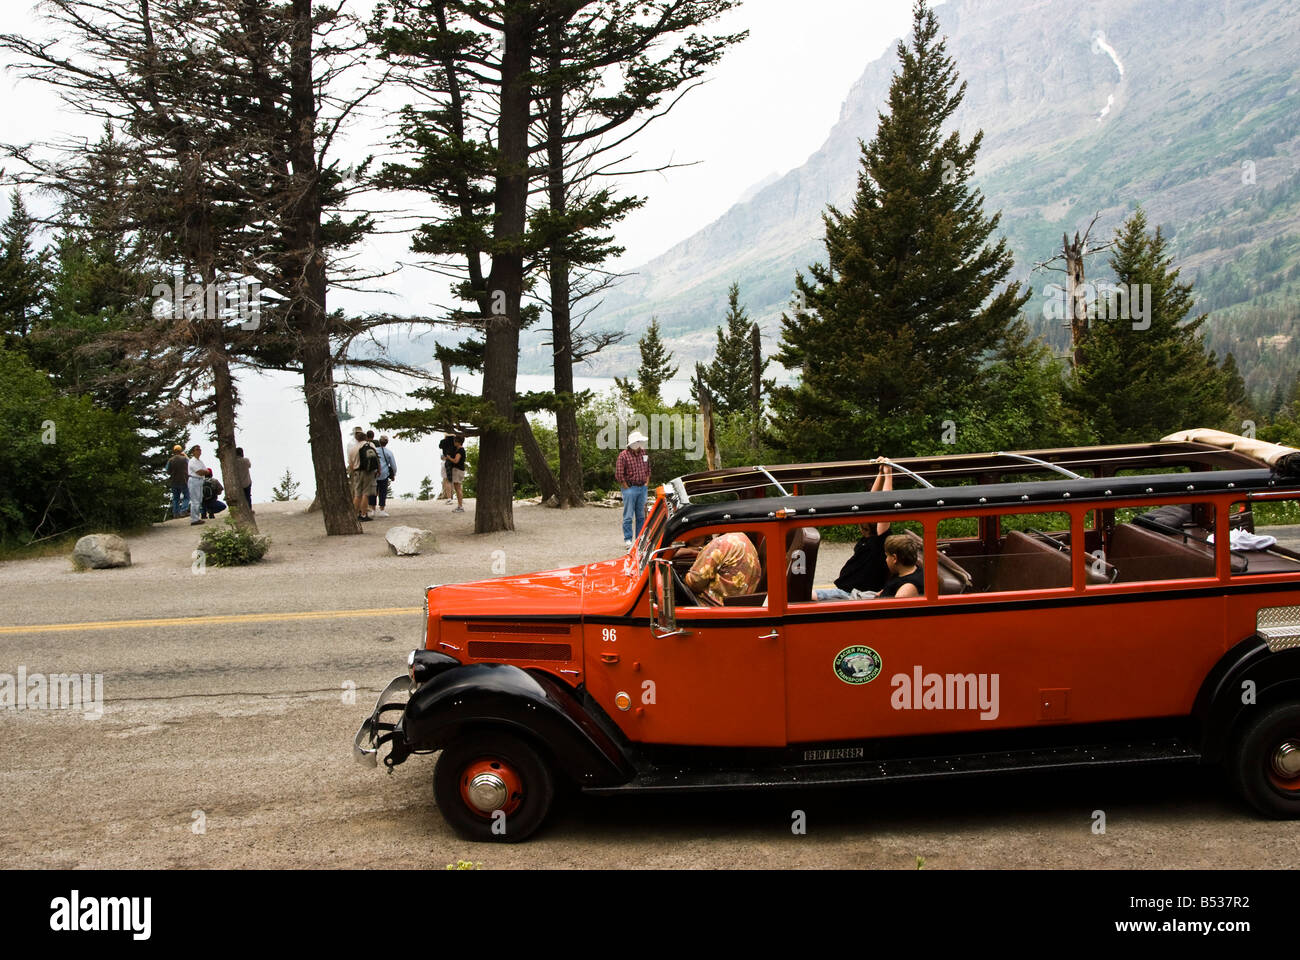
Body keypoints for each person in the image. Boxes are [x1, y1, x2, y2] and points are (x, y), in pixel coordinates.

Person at [816, 460, 894, 601]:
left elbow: (886, 506)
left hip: (853, 595)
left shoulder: (880, 542)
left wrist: (889, 475)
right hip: (844, 591)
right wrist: (880, 473)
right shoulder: (868, 539)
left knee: (805, 597)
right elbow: (871, 499)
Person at [684, 532, 761, 605]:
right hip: (739, 605)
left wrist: (685, 577)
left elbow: (695, 582)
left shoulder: (721, 543)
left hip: (712, 607)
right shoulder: (744, 539)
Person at [615, 431, 651, 547]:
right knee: (628, 515)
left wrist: (646, 483)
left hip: (642, 488)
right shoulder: (623, 455)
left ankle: (639, 539)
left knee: (641, 515)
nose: (640, 444)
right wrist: (626, 487)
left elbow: (648, 469)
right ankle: (628, 539)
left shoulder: (644, 453)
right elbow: (619, 474)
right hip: (630, 488)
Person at [878, 534, 923, 599]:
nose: (886, 560)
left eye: (887, 556)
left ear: (894, 558)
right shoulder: (906, 572)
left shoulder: (906, 590)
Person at [345, 426, 370, 521]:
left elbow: (350, 458)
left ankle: (358, 510)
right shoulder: (361, 444)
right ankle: (359, 511)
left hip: (356, 468)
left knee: (357, 491)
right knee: (359, 491)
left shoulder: (352, 444)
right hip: (361, 469)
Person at [374, 435, 396, 518]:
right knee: (382, 492)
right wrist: (393, 474)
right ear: (387, 443)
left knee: (373, 491)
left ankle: (372, 509)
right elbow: (393, 465)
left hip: (374, 473)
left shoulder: (375, 451)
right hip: (384, 474)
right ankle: (382, 509)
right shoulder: (389, 452)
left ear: (379, 442)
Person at [167, 444, 190, 519]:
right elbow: (190, 463)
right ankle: (183, 511)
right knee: (186, 496)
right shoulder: (184, 459)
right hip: (183, 480)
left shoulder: (170, 460)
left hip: (174, 481)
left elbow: (167, 471)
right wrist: (185, 455)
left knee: (175, 498)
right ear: (181, 451)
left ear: (174, 451)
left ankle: (175, 513)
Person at [186, 445, 207, 525]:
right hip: (194, 480)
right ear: (193, 452)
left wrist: (205, 471)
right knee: (195, 500)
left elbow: (206, 470)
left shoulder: (200, 461)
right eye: (197, 450)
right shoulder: (192, 461)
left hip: (200, 480)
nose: (199, 451)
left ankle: (197, 517)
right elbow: (200, 471)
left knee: (199, 499)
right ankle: (194, 519)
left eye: (199, 449)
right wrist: (205, 471)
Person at [447, 436, 467, 512]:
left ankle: (460, 506)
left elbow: (456, 461)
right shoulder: (460, 449)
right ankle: (460, 506)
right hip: (460, 470)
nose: (454, 442)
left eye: (455, 441)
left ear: (458, 442)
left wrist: (449, 458)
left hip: (457, 470)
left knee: (458, 489)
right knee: (458, 488)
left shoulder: (460, 450)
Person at [438, 434, 457, 500]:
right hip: (455, 461)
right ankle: (459, 497)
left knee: (447, 480)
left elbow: (440, 446)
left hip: (447, 460)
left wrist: (445, 438)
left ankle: (449, 498)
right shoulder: (456, 441)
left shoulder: (443, 441)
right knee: (457, 481)